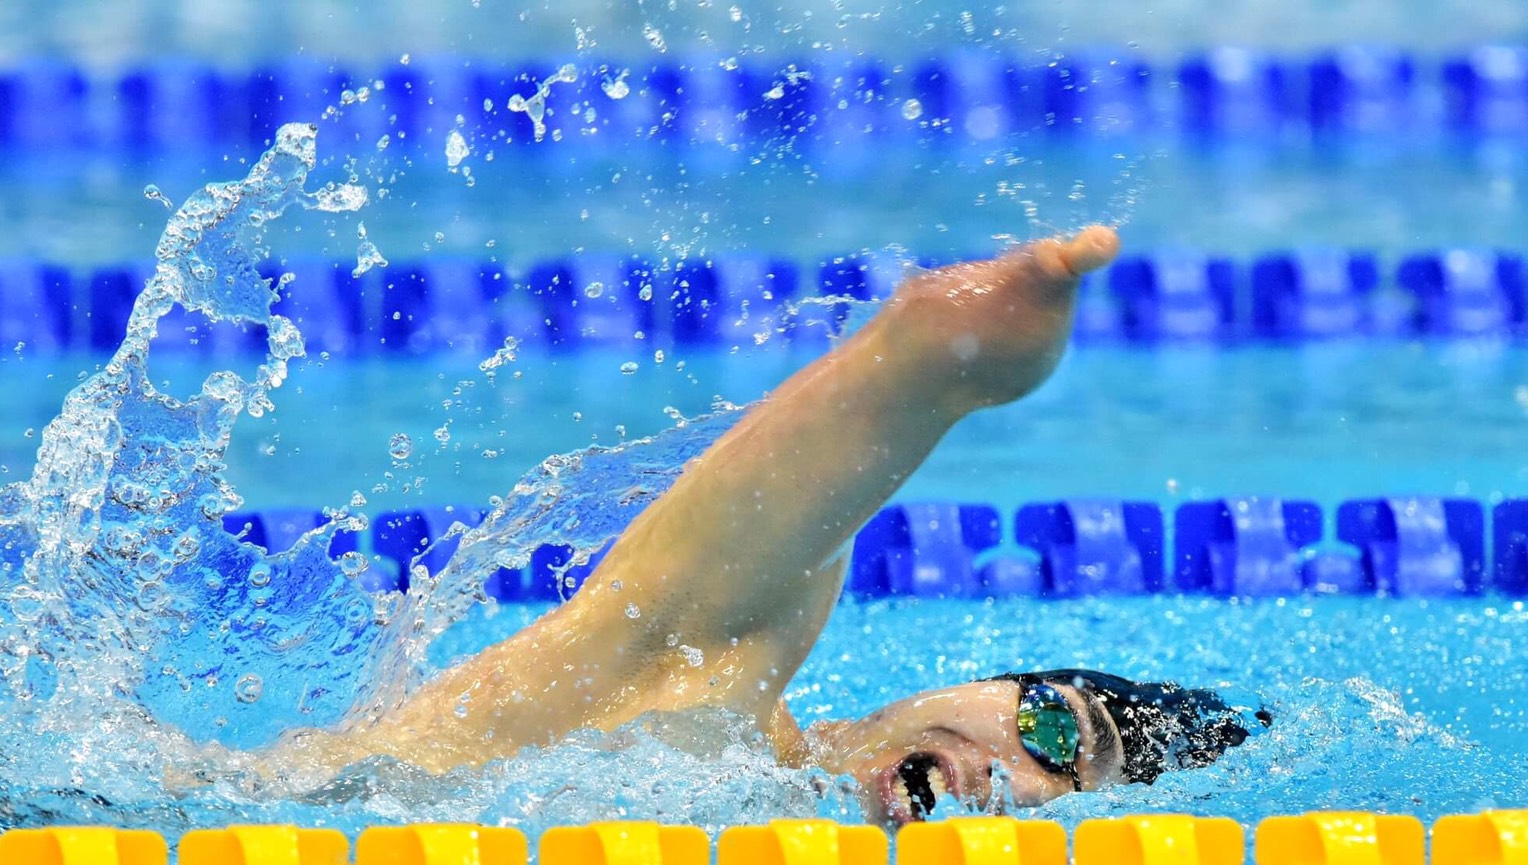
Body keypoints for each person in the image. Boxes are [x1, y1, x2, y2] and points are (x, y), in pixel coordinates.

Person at [264, 225, 1260, 825]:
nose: (1029, 786)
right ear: (983, 683)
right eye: (1054, 728)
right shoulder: (710, 695)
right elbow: (722, 577)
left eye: (1064, 811)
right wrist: (932, 367)